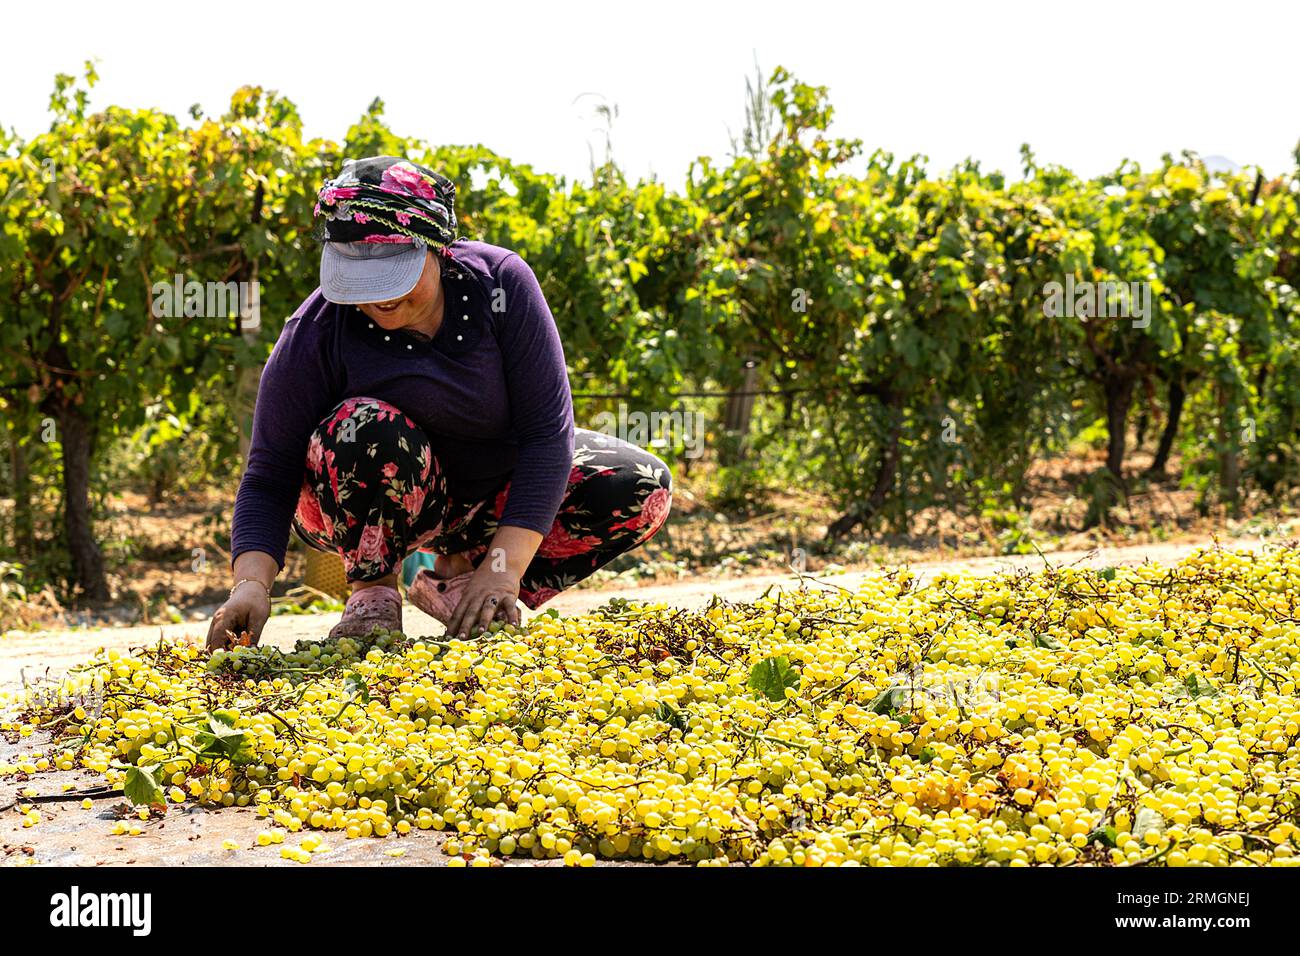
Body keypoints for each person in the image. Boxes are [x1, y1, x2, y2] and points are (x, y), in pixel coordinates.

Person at [205, 156, 672, 649]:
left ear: (437, 248)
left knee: (640, 486)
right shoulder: (318, 330)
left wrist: (503, 568)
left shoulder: (501, 286)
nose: (378, 300)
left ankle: (461, 575)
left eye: (392, 275)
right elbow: (269, 473)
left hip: (487, 493)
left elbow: (546, 437)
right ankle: (373, 593)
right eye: (358, 282)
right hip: (362, 501)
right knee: (365, 426)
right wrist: (251, 584)